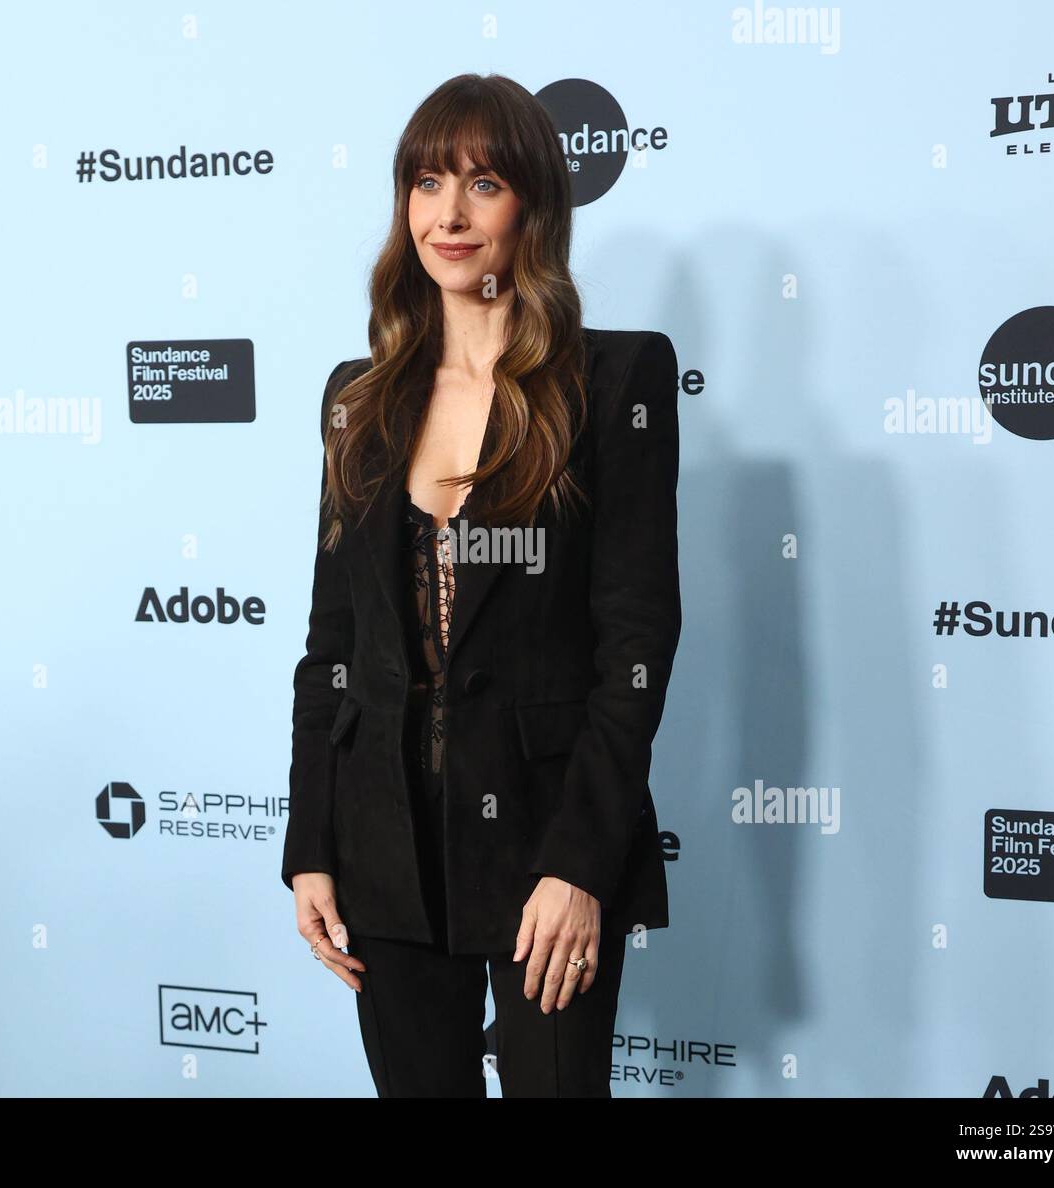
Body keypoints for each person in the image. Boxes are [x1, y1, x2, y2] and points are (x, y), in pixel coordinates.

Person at [282, 72, 681, 1098]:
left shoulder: (614, 384)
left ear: (534, 208)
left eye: (482, 183)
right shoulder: (356, 401)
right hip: (385, 853)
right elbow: (331, 648)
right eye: (425, 182)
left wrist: (582, 863)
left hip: (547, 847)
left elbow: (634, 643)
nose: (447, 215)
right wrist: (310, 848)